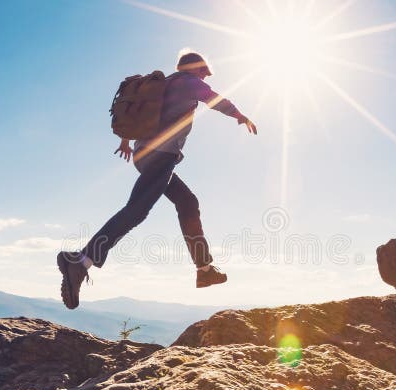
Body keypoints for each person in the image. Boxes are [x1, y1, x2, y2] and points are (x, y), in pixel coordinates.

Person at [57, 50, 257, 309]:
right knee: (137, 210)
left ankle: (205, 269)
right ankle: (82, 260)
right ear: (193, 68)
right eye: (204, 70)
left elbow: (135, 116)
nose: (206, 76)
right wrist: (239, 115)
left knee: (187, 202)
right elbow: (214, 99)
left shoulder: (163, 85)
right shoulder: (188, 82)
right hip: (161, 155)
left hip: (146, 155)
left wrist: (126, 143)